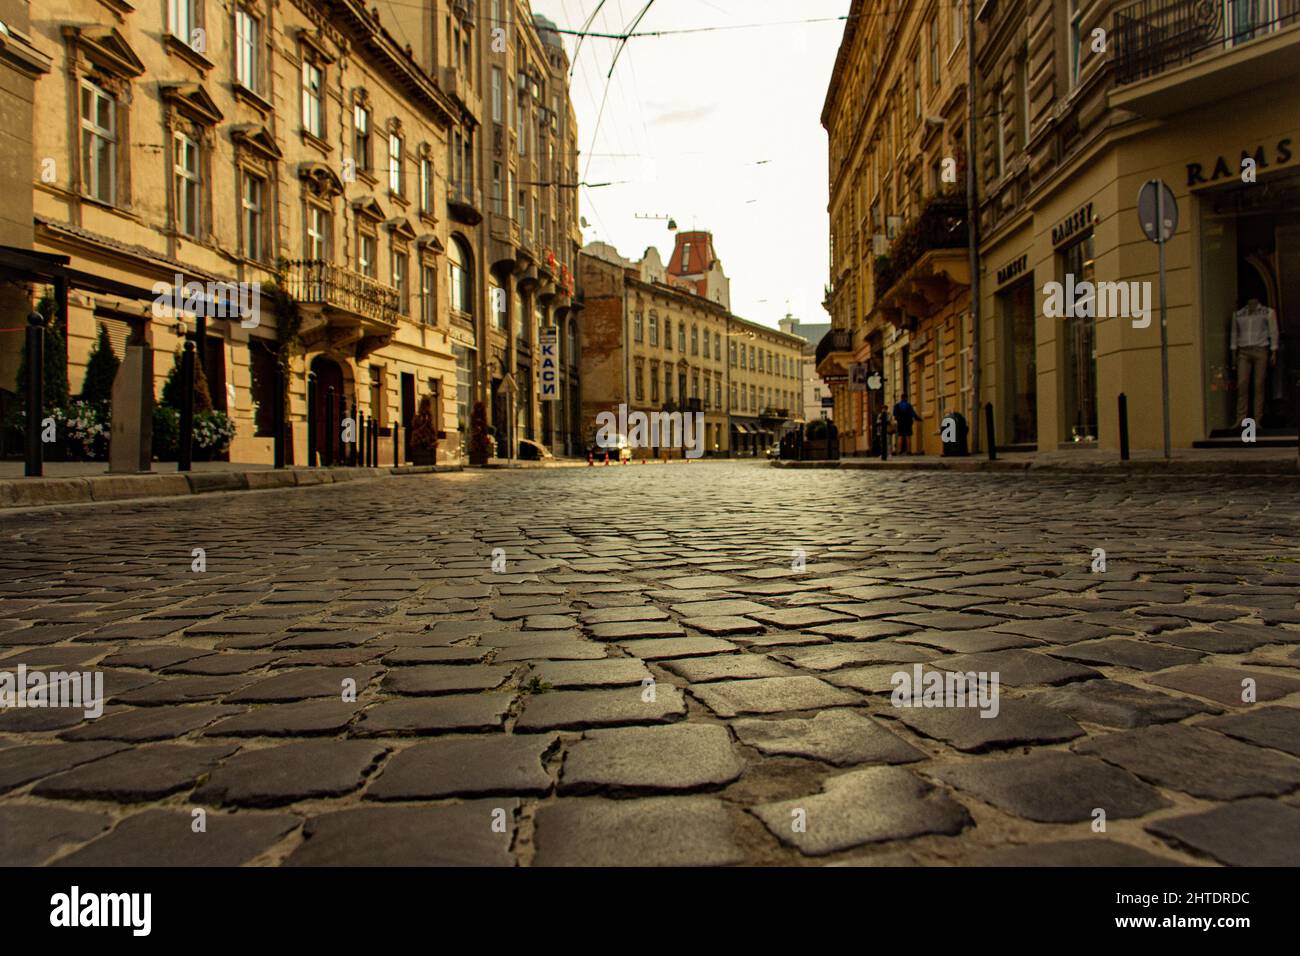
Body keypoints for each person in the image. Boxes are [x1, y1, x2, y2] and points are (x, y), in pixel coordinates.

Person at [1231, 296, 1279, 428]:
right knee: (1242, 384)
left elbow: (1273, 331)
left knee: (1258, 384)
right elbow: (1234, 333)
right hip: (1244, 351)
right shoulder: (1239, 314)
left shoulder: (1267, 312)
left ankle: (1257, 419)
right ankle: (1240, 418)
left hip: (1260, 349)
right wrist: (1233, 352)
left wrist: (1273, 350)